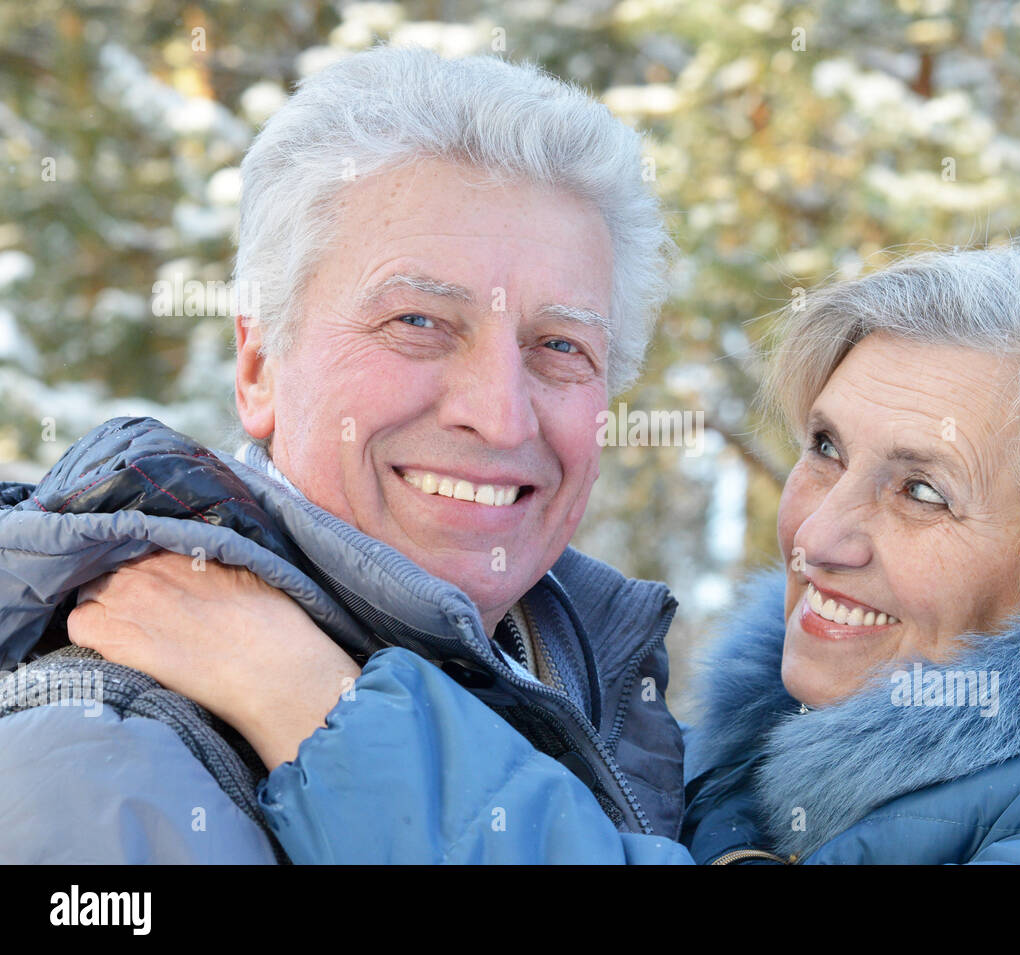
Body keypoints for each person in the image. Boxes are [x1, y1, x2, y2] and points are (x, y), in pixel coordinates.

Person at [94, 238, 1020, 863]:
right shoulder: (771, 753)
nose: (818, 534)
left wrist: (312, 705)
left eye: (921, 491)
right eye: (825, 446)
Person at [0, 45, 684, 863]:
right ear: (258, 367)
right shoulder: (107, 764)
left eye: (560, 344)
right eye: (418, 322)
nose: (501, 417)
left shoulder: (606, 693)